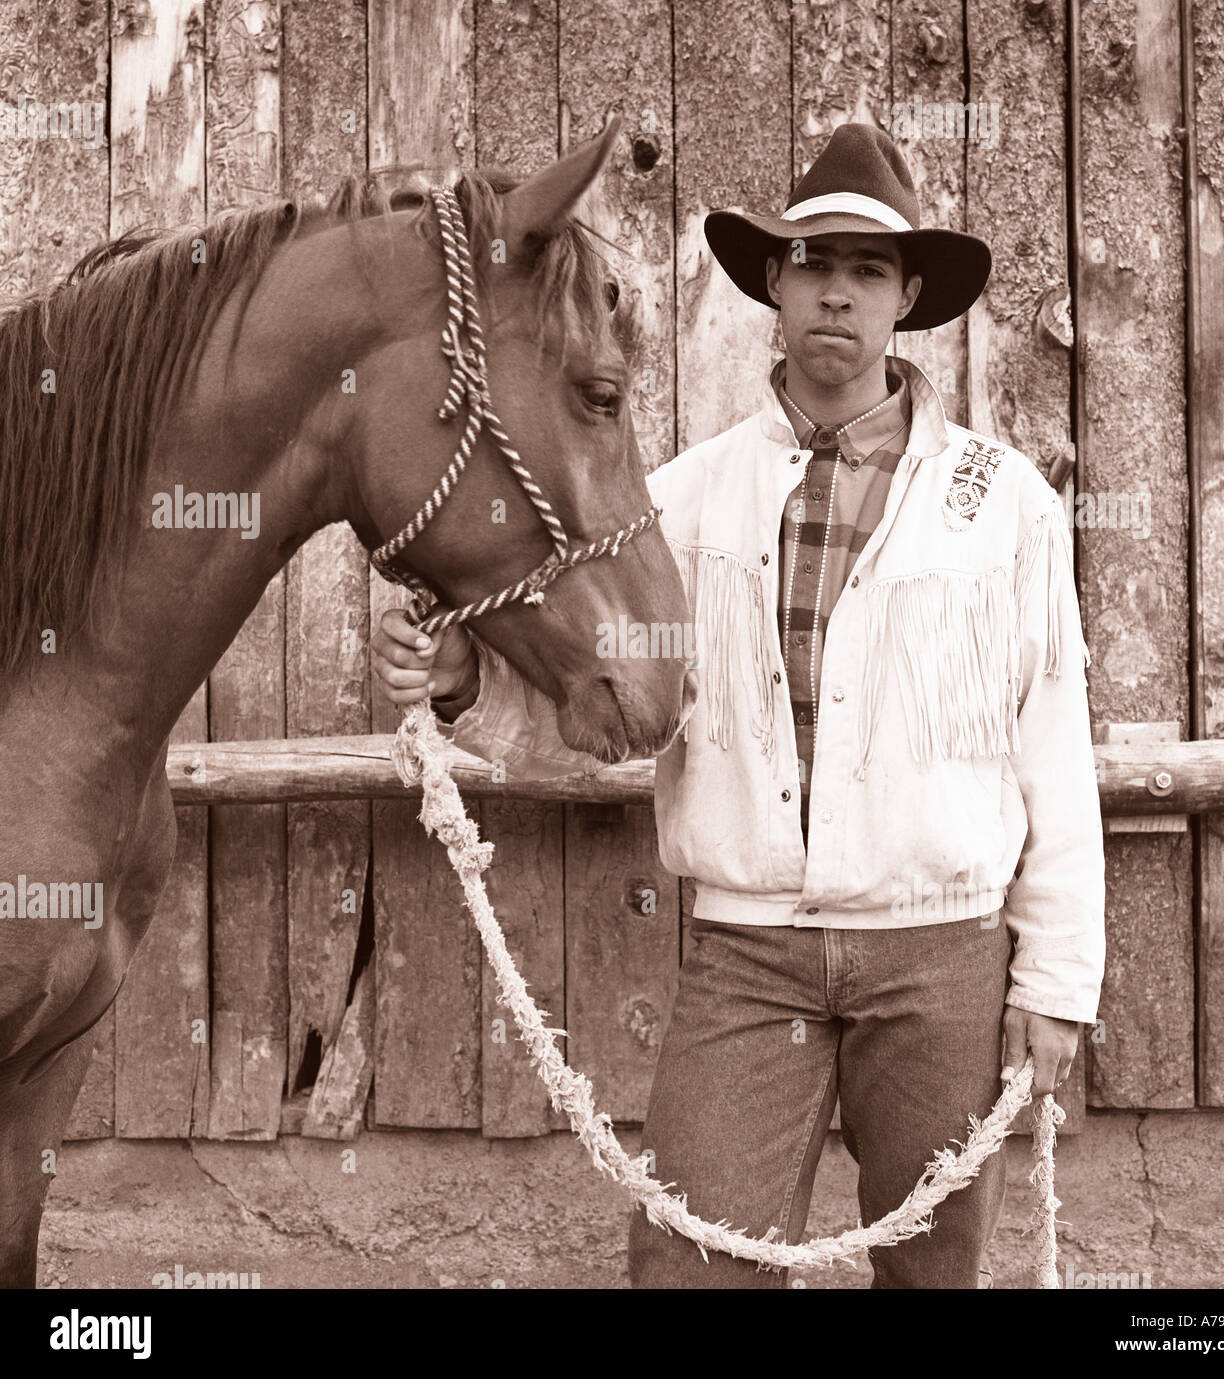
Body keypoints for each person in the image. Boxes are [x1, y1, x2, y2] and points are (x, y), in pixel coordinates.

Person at [371, 122, 1104, 1289]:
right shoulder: (679, 500)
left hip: (943, 948)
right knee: (690, 1264)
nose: (836, 296)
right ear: (773, 279)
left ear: (907, 297)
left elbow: (1051, 743)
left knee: (933, 1269)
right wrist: (463, 681)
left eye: (868, 272)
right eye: (814, 263)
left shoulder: (1000, 503)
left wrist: (1056, 982)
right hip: (748, 951)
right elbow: (605, 714)